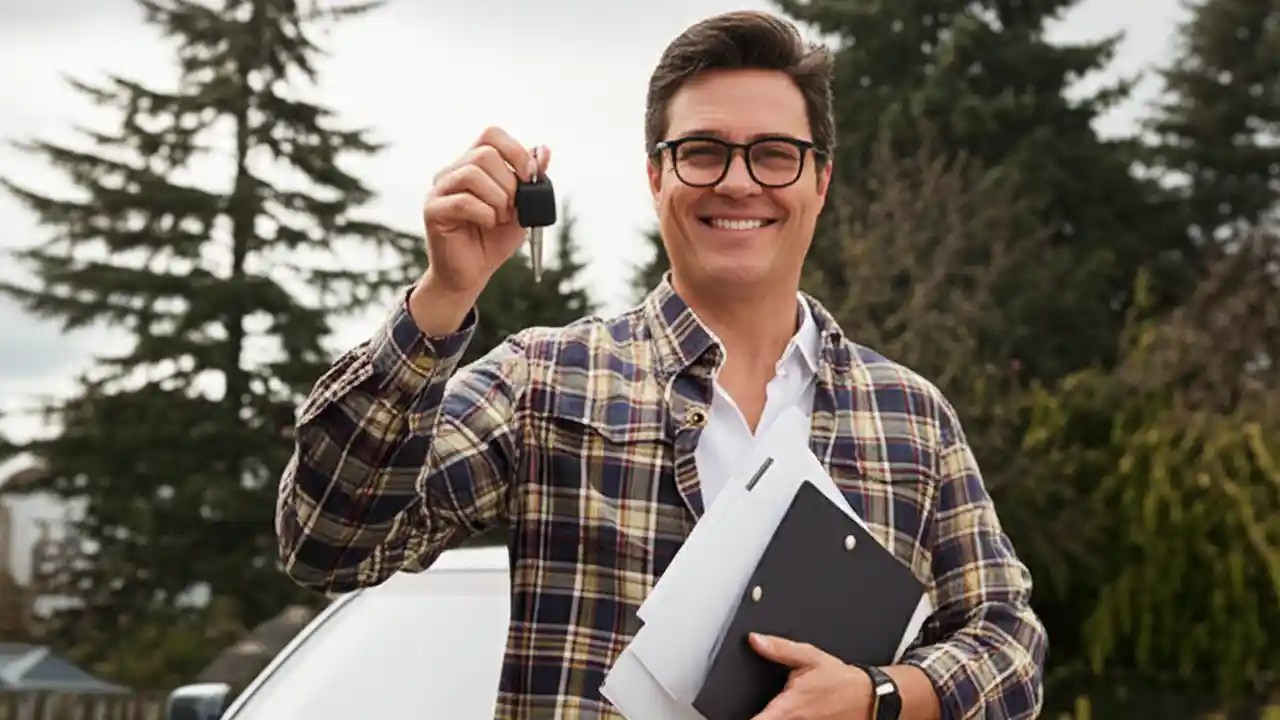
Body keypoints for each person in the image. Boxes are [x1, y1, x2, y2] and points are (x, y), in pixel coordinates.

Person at [275, 9, 1047, 720]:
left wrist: (879, 696)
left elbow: (1008, 643)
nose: (738, 181)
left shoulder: (910, 418)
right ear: (656, 178)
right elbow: (328, 545)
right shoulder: (543, 382)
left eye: (774, 155)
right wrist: (443, 297)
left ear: (820, 181)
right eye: (703, 152)